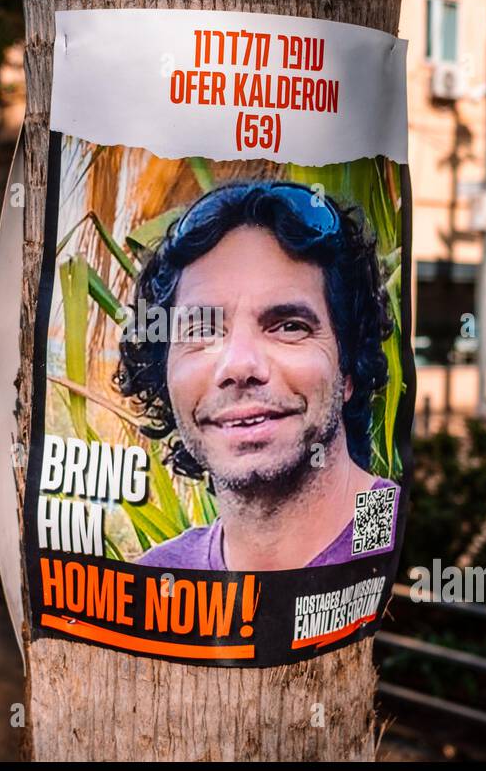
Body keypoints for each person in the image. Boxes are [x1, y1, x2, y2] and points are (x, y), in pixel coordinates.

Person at [116, 181, 399, 571]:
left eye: (288, 326)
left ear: (348, 366)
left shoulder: (403, 549)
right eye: (201, 331)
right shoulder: (152, 584)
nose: (239, 366)